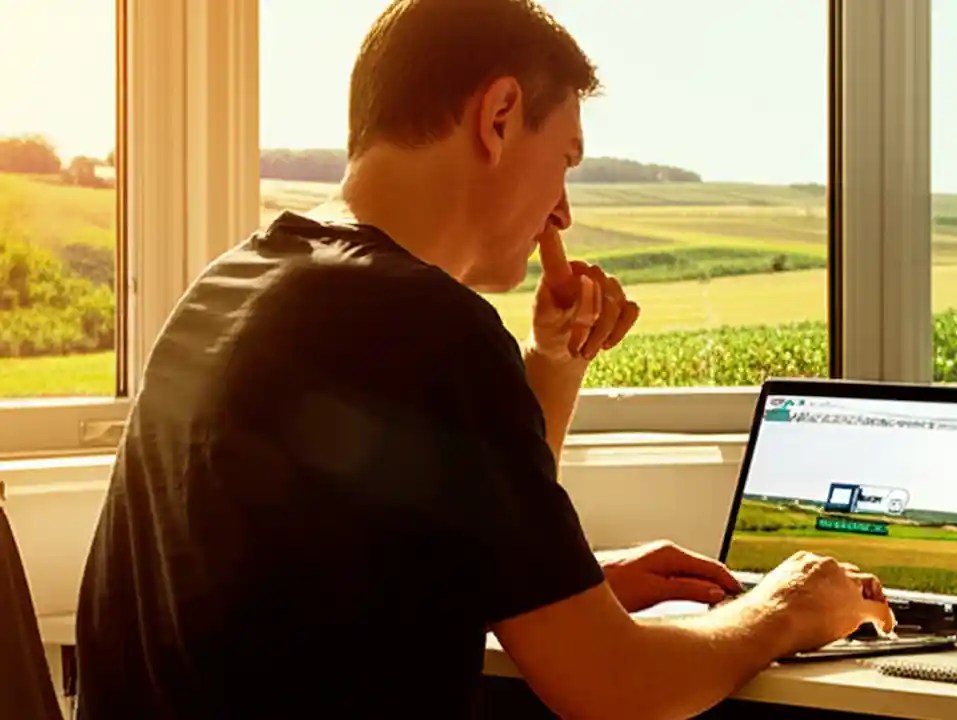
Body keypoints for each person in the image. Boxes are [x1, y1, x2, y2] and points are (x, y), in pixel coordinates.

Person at [74, 0, 895, 718]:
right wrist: (788, 606)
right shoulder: (429, 324)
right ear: (499, 116)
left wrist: (555, 369)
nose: (563, 207)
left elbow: (346, 579)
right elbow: (620, 690)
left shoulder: (239, 280)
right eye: (566, 158)